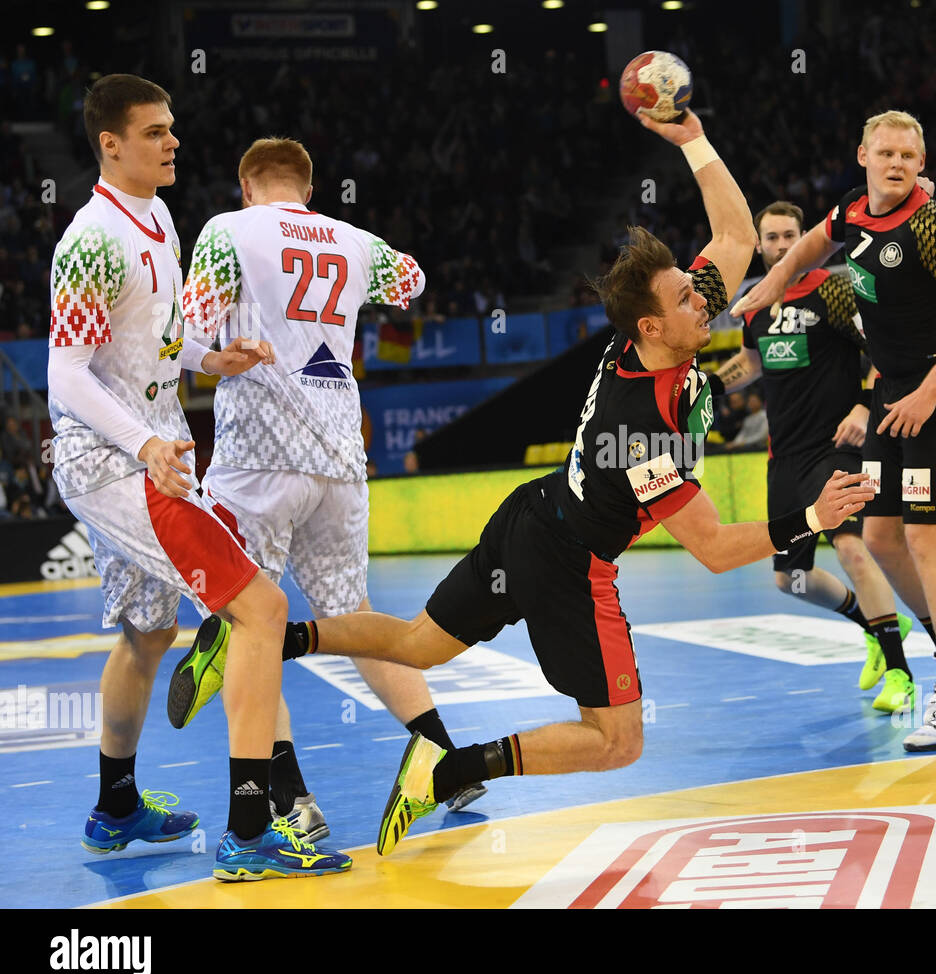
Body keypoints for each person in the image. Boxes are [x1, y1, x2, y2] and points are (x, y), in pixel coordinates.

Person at [276, 108, 873, 855]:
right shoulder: (646, 432)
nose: (703, 299)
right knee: (618, 741)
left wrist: (691, 139)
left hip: (529, 514)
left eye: (695, 290)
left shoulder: (648, 333)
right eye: (688, 298)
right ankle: (451, 766)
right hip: (569, 565)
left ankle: (280, 634)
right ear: (653, 326)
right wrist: (808, 518)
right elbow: (715, 549)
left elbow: (738, 236)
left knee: (419, 644)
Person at [46, 74, 349, 879]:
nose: (172, 140)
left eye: (171, 128)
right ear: (110, 144)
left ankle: (115, 807)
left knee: (148, 632)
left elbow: (160, 338)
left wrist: (211, 358)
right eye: (153, 132)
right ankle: (256, 829)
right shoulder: (88, 239)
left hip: (161, 444)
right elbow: (66, 375)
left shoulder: (159, 215)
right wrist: (144, 443)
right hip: (115, 457)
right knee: (259, 607)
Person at [168, 137, 484, 844]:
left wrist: (220, 350)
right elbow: (413, 282)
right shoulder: (350, 238)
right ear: (307, 191)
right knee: (353, 614)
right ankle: (449, 759)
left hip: (258, 459)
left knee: (249, 625)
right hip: (341, 459)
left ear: (248, 185)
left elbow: (185, 332)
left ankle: (290, 797)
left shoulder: (228, 230)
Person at [732, 109, 936, 753]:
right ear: (864, 157)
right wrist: (773, 281)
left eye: (909, 155)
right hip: (892, 395)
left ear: (921, 164)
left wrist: (929, 394)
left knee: (928, 538)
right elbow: (814, 243)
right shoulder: (853, 211)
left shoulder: (932, 225)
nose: (898, 163)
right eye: (887, 153)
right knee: (880, 537)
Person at [714, 199, 915, 708]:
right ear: (759, 245)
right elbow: (752, 362)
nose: (782, 246)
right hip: (784, 457)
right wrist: (710, 385)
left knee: (852, 547)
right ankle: (872, 624)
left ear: (805, 240)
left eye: (790, 236)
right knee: (791, 579)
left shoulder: (836, 287)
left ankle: (900, 672)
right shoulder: (756, 303)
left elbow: (886, 348)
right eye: (773, 238)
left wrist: (865, 406)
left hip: (838, 448)